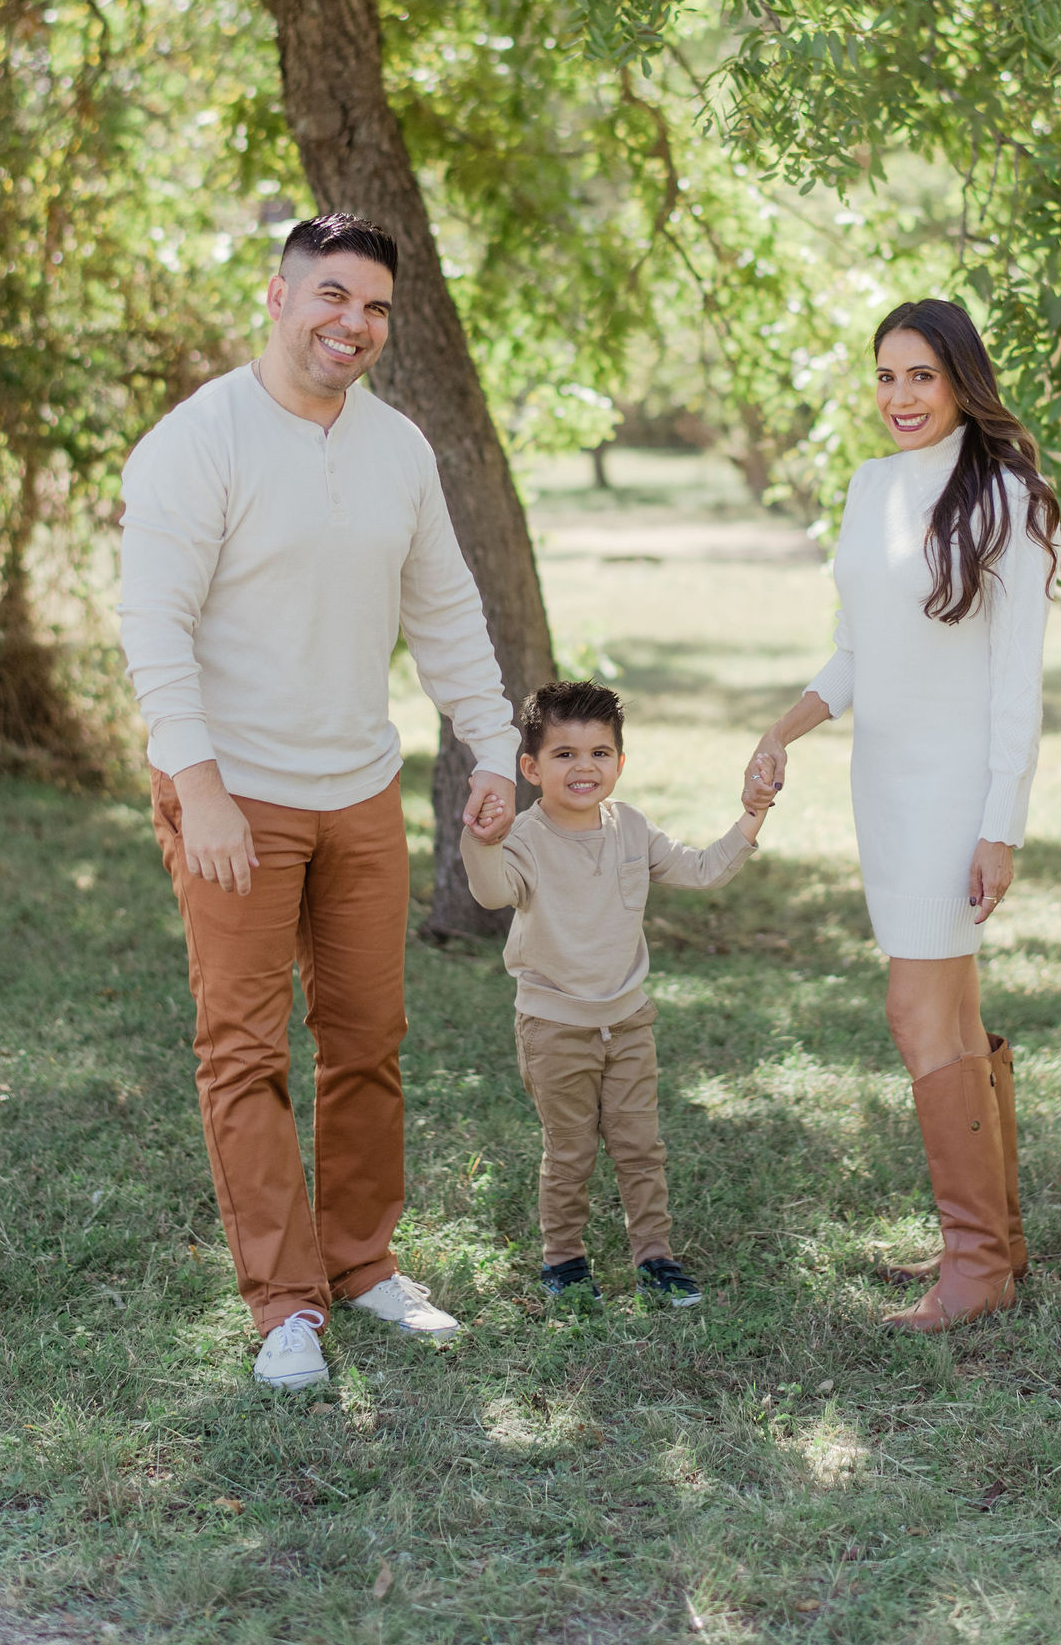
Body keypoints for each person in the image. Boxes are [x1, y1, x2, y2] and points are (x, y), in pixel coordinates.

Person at [118, 210, 520, 1390]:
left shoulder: (399, 449)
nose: (354, 323)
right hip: (231, 790)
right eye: (333, 297)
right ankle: (284, 1306)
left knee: (367, 1040)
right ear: (282, 296)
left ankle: (361, 1265)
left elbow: (445, 609)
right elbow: (155, 627)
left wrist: (492, 745)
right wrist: (202, 791)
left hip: (357, 790)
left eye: (377, 308)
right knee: (242, 1051)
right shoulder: (198, 441)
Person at [744, 300, 1057, 1334]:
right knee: (952, 1017)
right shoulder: (869, 488)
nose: (899, 397)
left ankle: (972, 1267)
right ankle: (995, 1249)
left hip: (956, 792)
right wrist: (785, 728)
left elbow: (1018, 684)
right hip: (881, 784)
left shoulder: (1009, 499)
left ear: (961, 380)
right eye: (885, 376)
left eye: (919, 376)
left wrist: (998, 827)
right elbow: (857, 651)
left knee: (917, 1015)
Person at [460, 680, 769, 1310]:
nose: (584, 768)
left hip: (628, 1022)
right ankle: (565, 1262)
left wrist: (753, 813)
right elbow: (493, 893)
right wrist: (483, 840)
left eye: (599, 753)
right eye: (564, 754)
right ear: (531, 767)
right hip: (554, 1027)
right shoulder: (522, 837)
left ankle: (655, 1258)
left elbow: (702, 869)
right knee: (569, 1150)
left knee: (639, 1146)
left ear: (620, 764)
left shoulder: (630, 826)